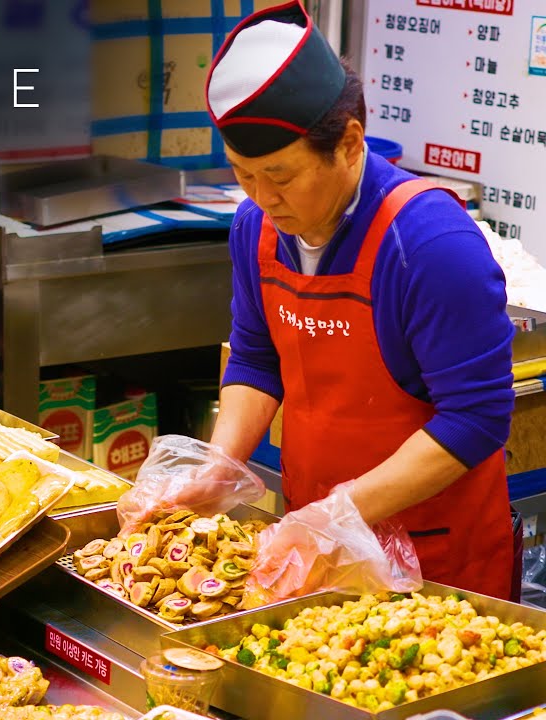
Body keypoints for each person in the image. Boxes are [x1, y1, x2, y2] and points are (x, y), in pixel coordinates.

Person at [203, 2, 515, 599]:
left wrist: (335, 514)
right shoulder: (255, 228)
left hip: (437, 563)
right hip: (311, 545)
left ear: (348, 144)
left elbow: (476, 419)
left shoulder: (429, 244)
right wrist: (220, 463)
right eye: (243, 174)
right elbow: (255, 360)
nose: (263, 197)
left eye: (283, 176)